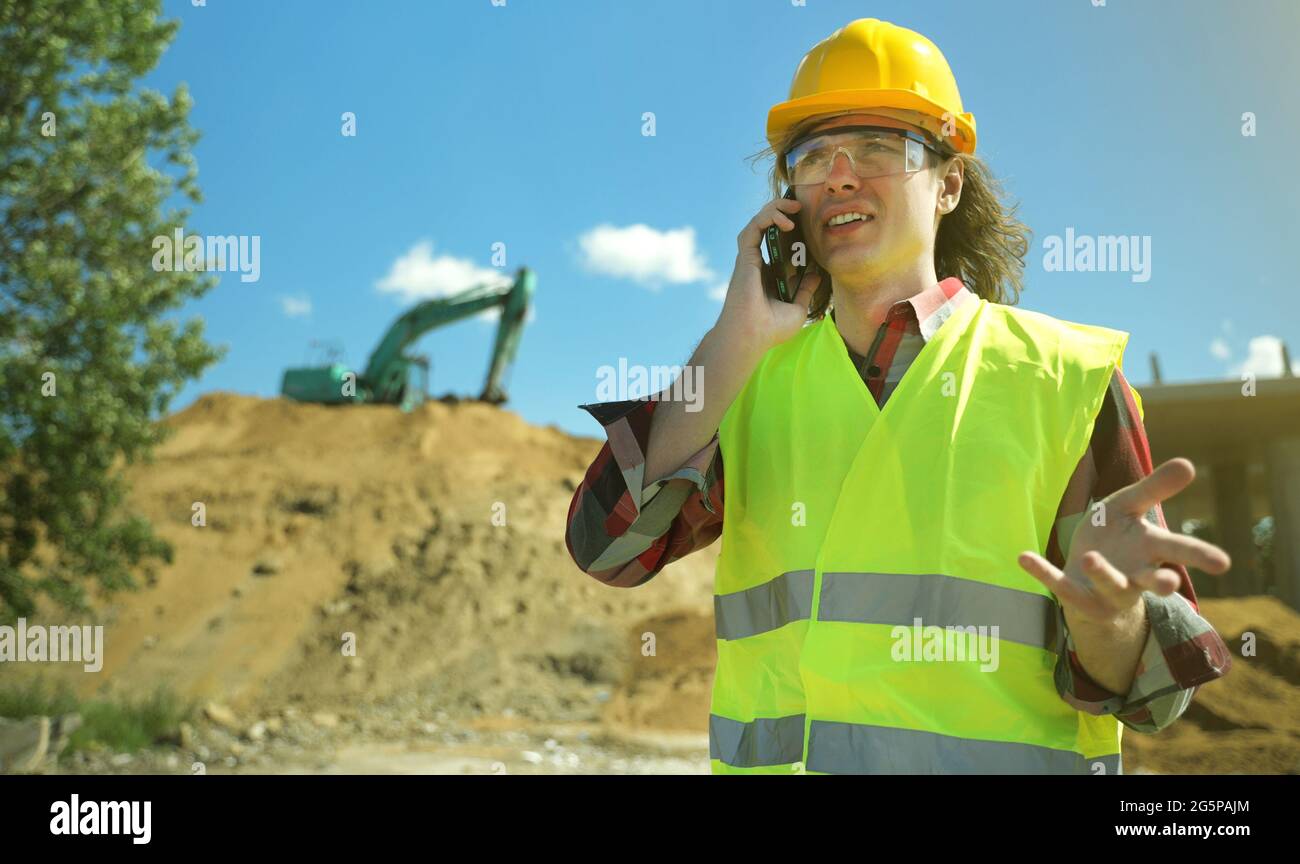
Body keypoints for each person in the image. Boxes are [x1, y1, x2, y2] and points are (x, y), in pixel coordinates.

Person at [564, 18, 1232, 774]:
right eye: (812, 158)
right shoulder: (743, 385)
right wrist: (730, 343)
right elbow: (608, 552)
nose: (840, 176)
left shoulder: (1065, 379)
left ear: (948, 185)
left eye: (879, 149)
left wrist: (1110, 621)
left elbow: (1153, 701)